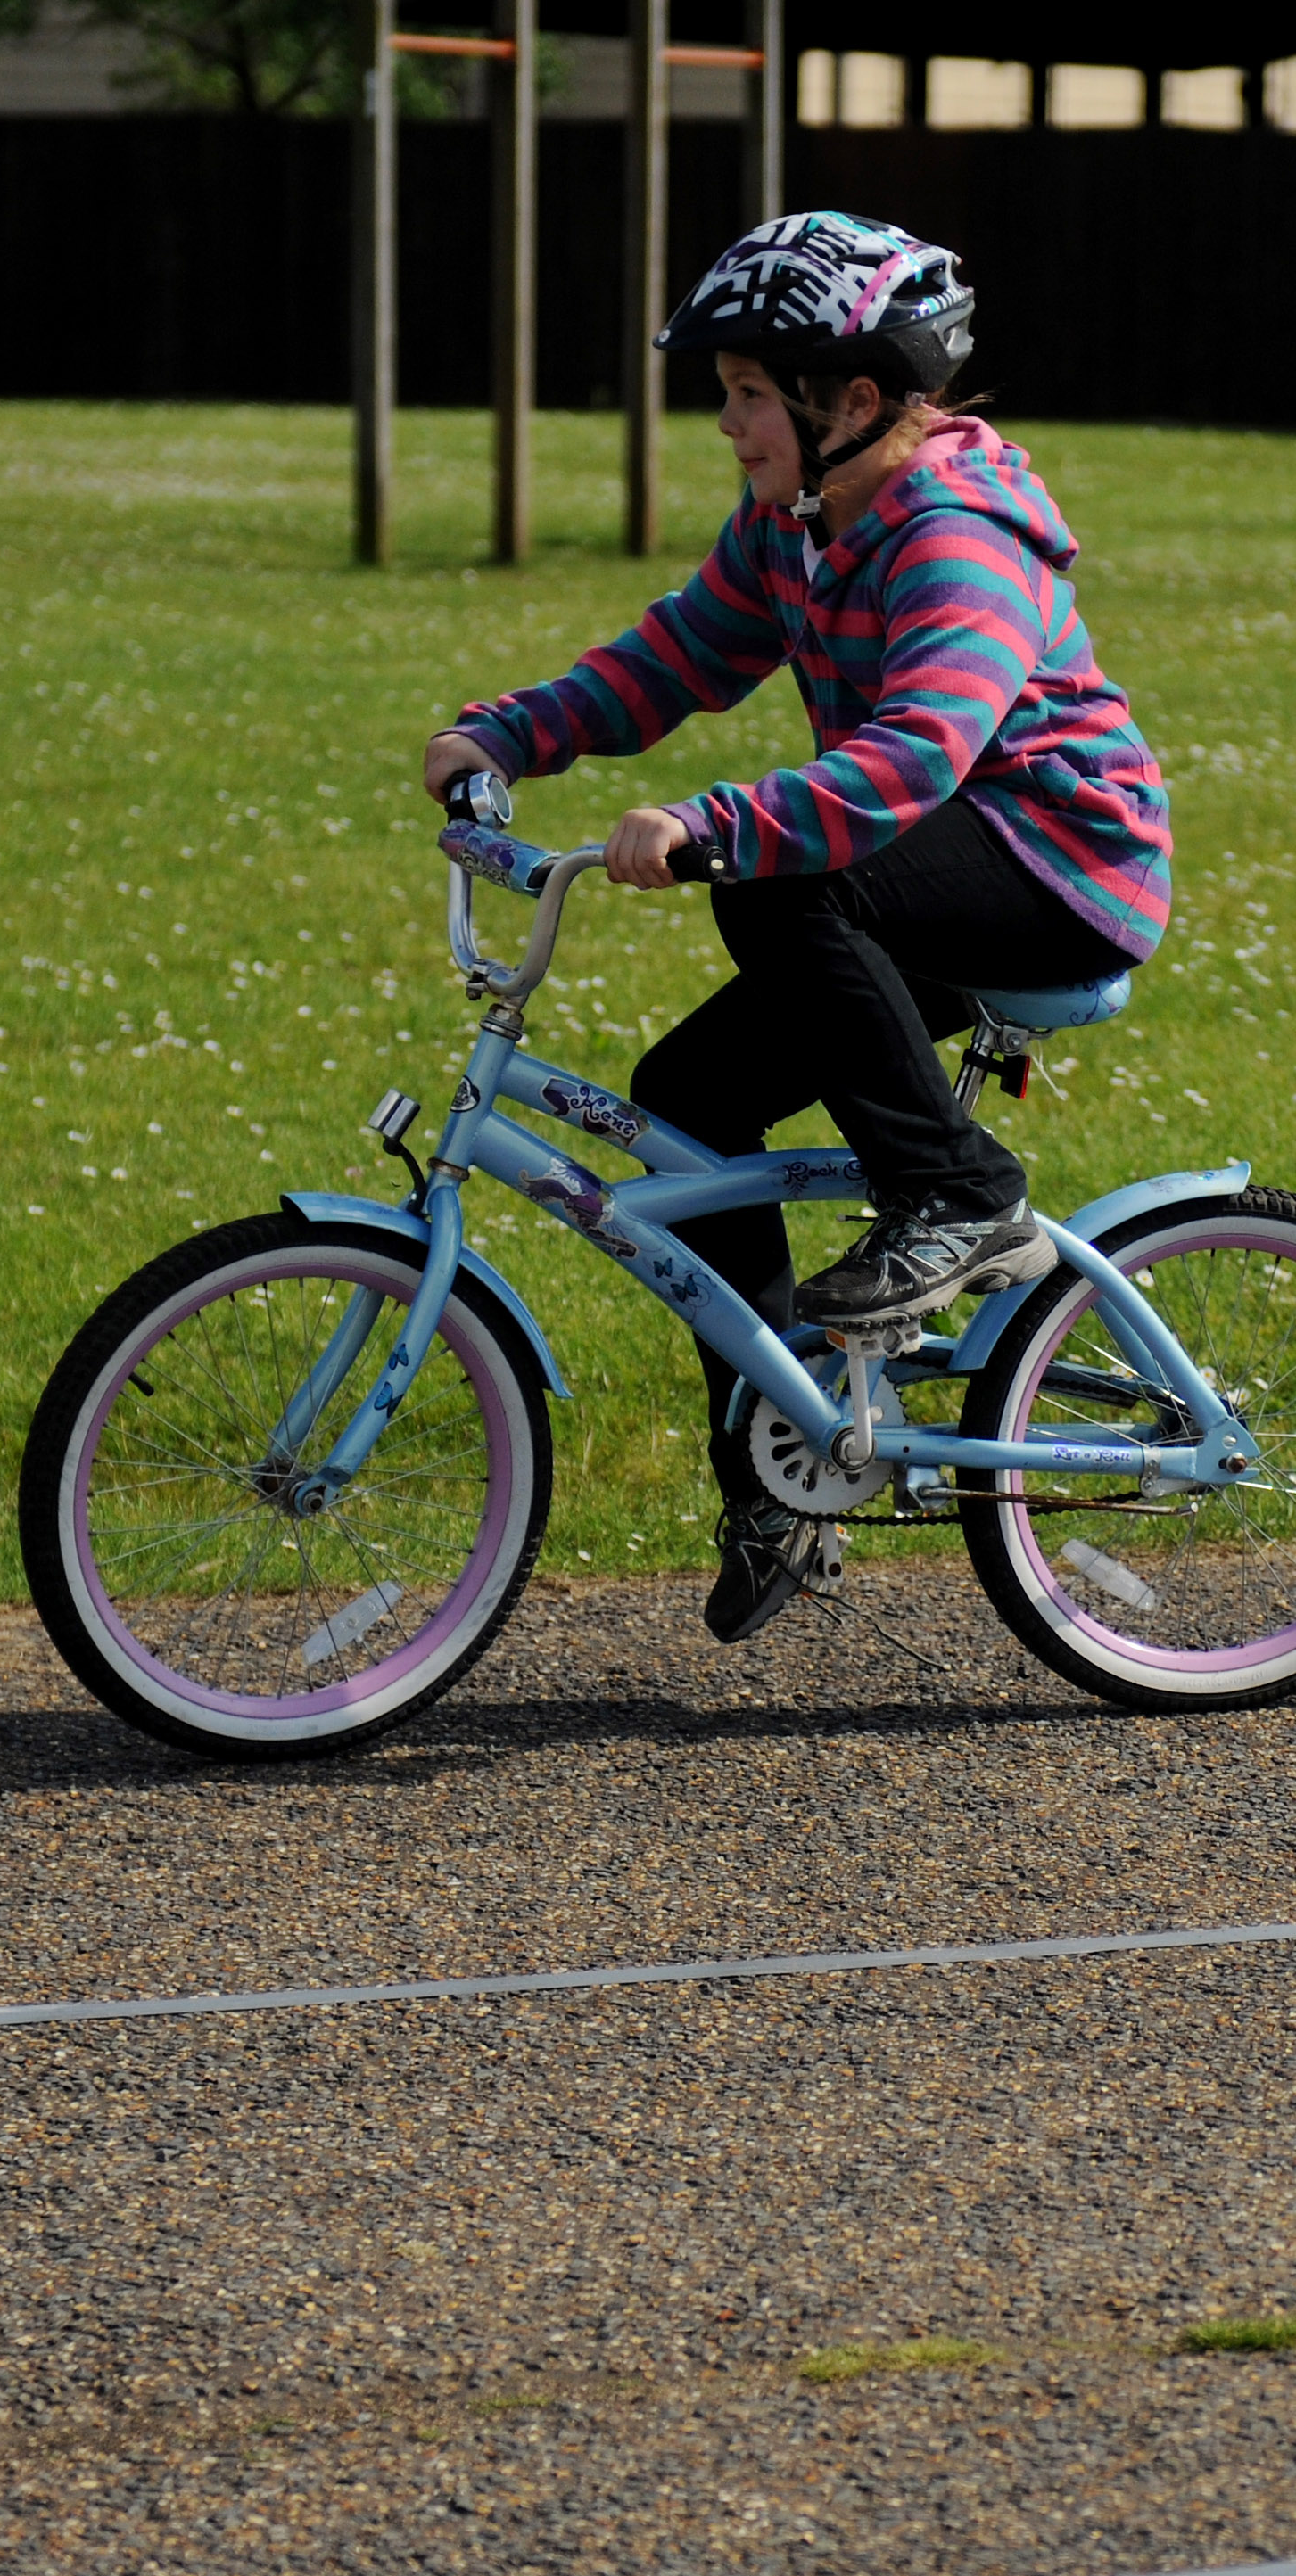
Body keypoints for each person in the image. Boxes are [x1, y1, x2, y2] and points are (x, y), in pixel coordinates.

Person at [421, 214, 1171, 1645]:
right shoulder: (796, 527)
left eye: (749, 395)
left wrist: (716, 827)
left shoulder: (957, 538)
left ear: (857, 403)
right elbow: (677, 656)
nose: (725, 424)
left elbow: (911, 759)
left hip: (1059, 863)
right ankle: (783, 1475)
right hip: (926, 860)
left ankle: (957, 1194)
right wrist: (503, 732)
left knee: (775, 877)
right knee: (689, 1105)